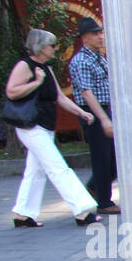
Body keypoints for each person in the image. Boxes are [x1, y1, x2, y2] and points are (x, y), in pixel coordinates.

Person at [6, 29, 101, 227]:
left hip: (45, 125)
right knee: (57, 167)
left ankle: (23, 214)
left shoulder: (46, 69)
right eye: (52, 45)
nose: (55, 49)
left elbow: (58, 97)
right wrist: (36, 82)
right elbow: (12, 91)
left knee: (35, 170)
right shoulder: (25, 66)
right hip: (30, 126)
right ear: (40, 47)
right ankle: (83, 210)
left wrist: (80, 112)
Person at [68, 17, 119, 214]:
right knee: (102, 157)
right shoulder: (81, 61)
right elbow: (86, 92)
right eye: (95, 34)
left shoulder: (99, 57)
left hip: (107, 108)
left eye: (100, 33)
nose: (100, 37)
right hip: (94, 112)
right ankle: (104, 202)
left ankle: (94, 187)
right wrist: (103, 118)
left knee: (114, 157)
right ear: (84, 38)